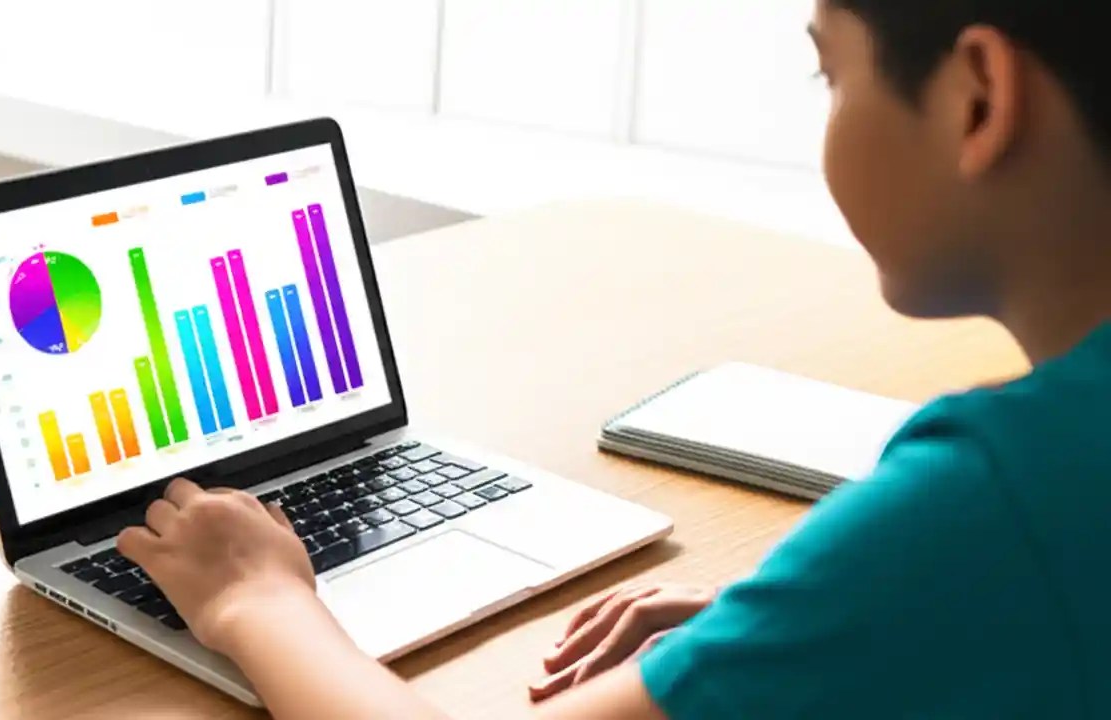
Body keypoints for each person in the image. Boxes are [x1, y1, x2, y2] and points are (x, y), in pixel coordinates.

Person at [117, 0, 1111, 716]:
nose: (827, 109)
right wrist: (793, 626)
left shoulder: (991, 502)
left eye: (828, 71)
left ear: (978, 97)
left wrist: (261, 600)